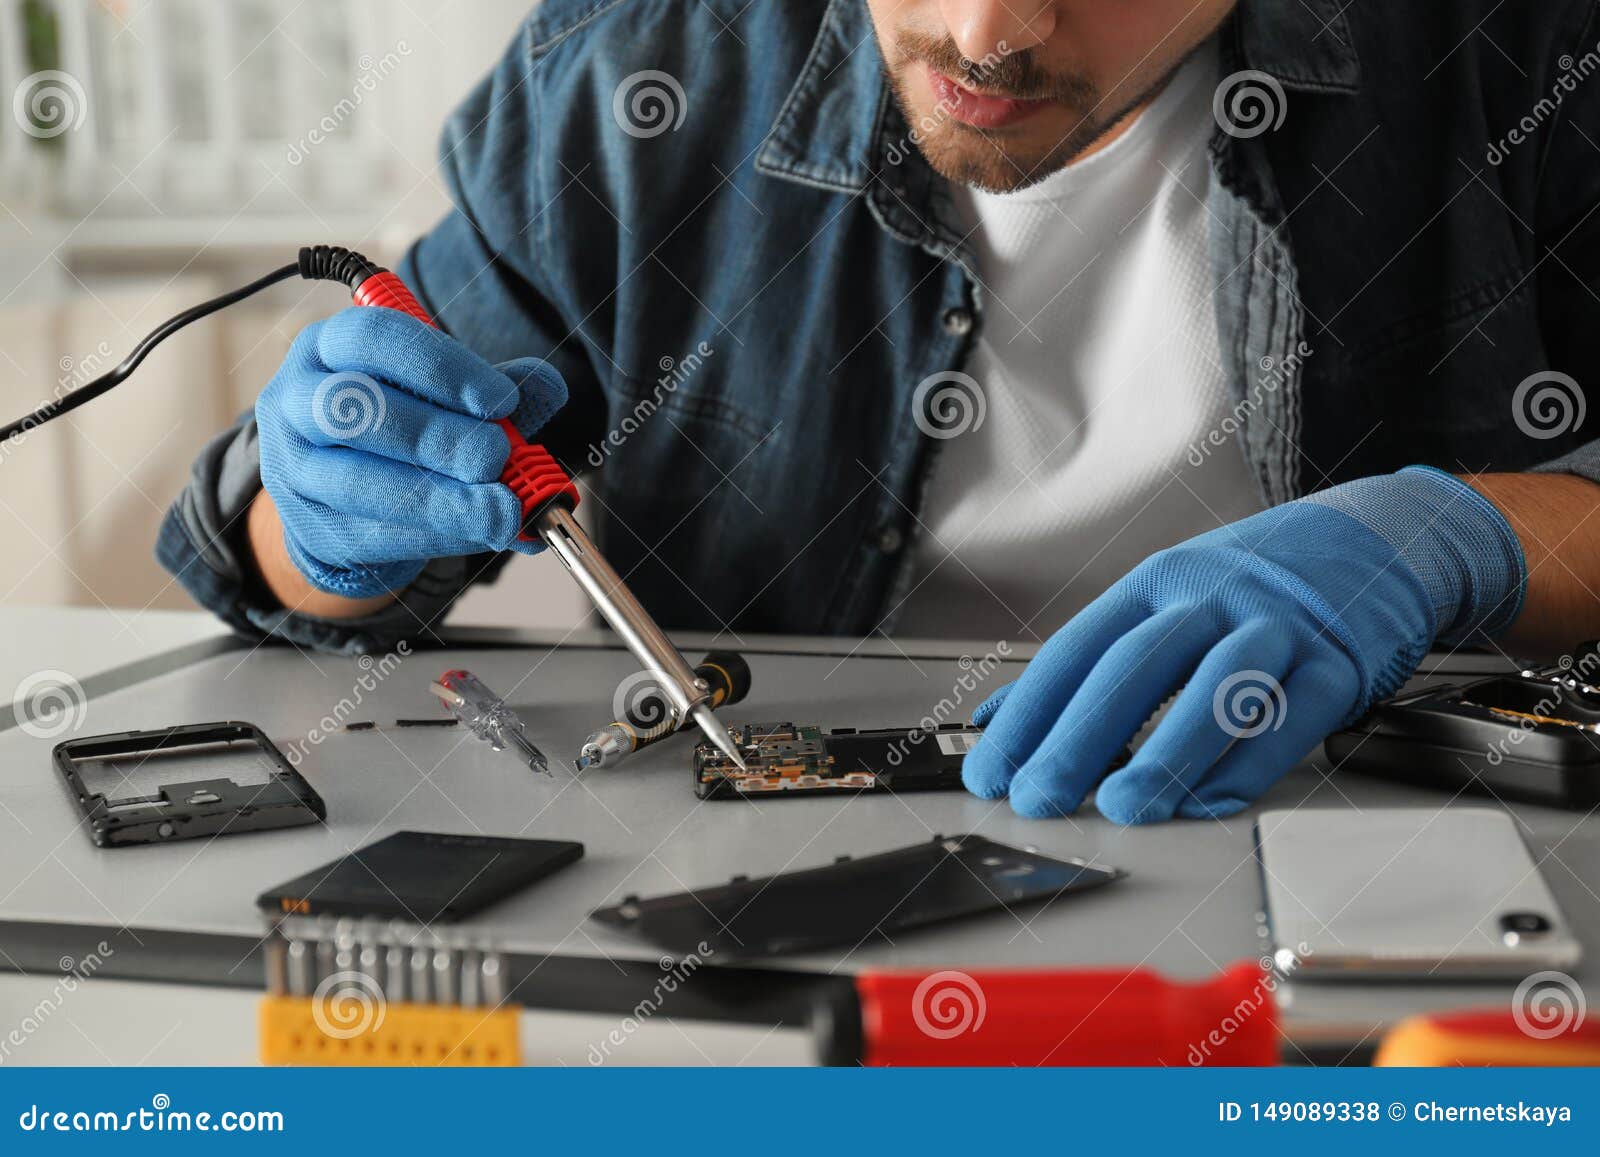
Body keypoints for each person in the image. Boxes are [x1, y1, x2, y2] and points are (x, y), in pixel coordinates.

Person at [160, 0, 1600, 823]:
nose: (989, 34)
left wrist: (1456, 538)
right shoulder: (634, 81)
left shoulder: (1528, 59)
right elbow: (290, 556)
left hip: (1339, 861)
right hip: (770, 896)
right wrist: (328, 516)